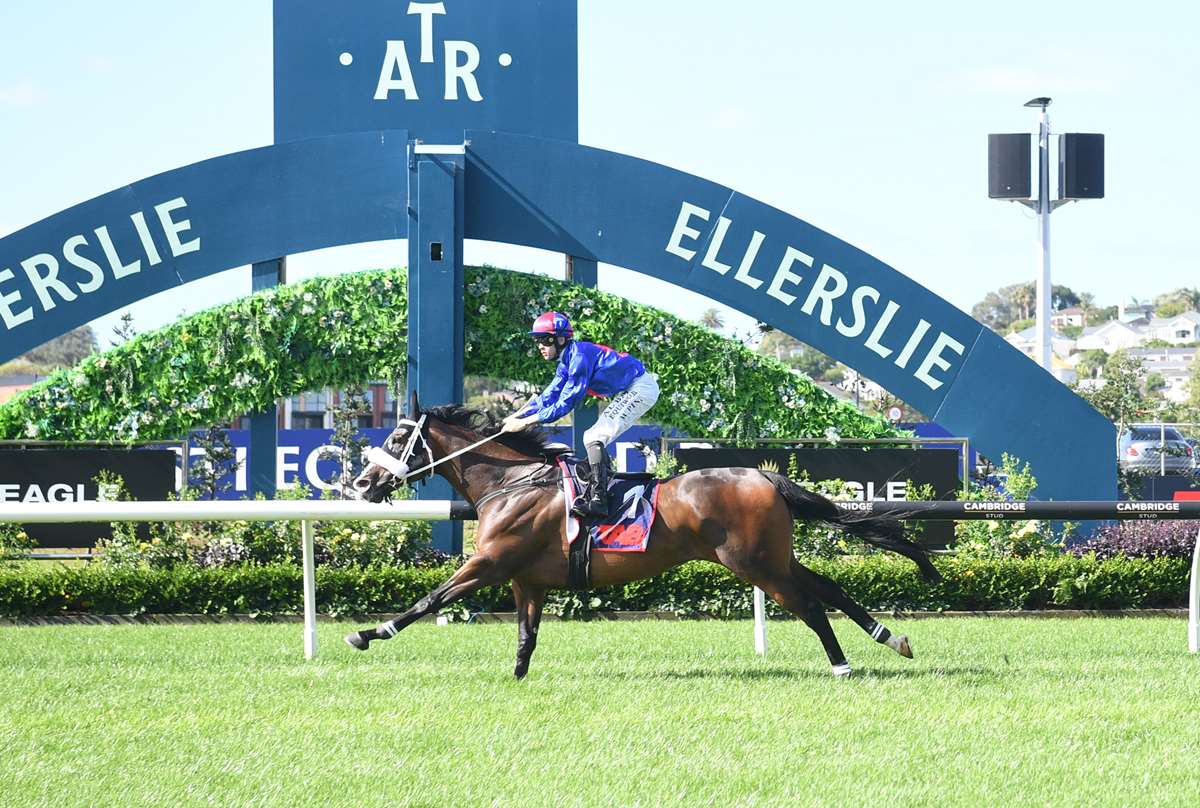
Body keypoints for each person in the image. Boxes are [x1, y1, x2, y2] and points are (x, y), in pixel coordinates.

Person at [501, 311, 659, 519]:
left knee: (593, 436)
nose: (539, 345)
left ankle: (600, 500)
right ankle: (600, 487)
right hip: (632, 389)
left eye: (544, 340)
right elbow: (548, 397)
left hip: (640, 388)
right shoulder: (567, 361)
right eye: (537, 340)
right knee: (593, 436)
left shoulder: (579, 358)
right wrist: (517, 418)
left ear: (560, 339)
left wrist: (525, 423)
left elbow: (565, 404)